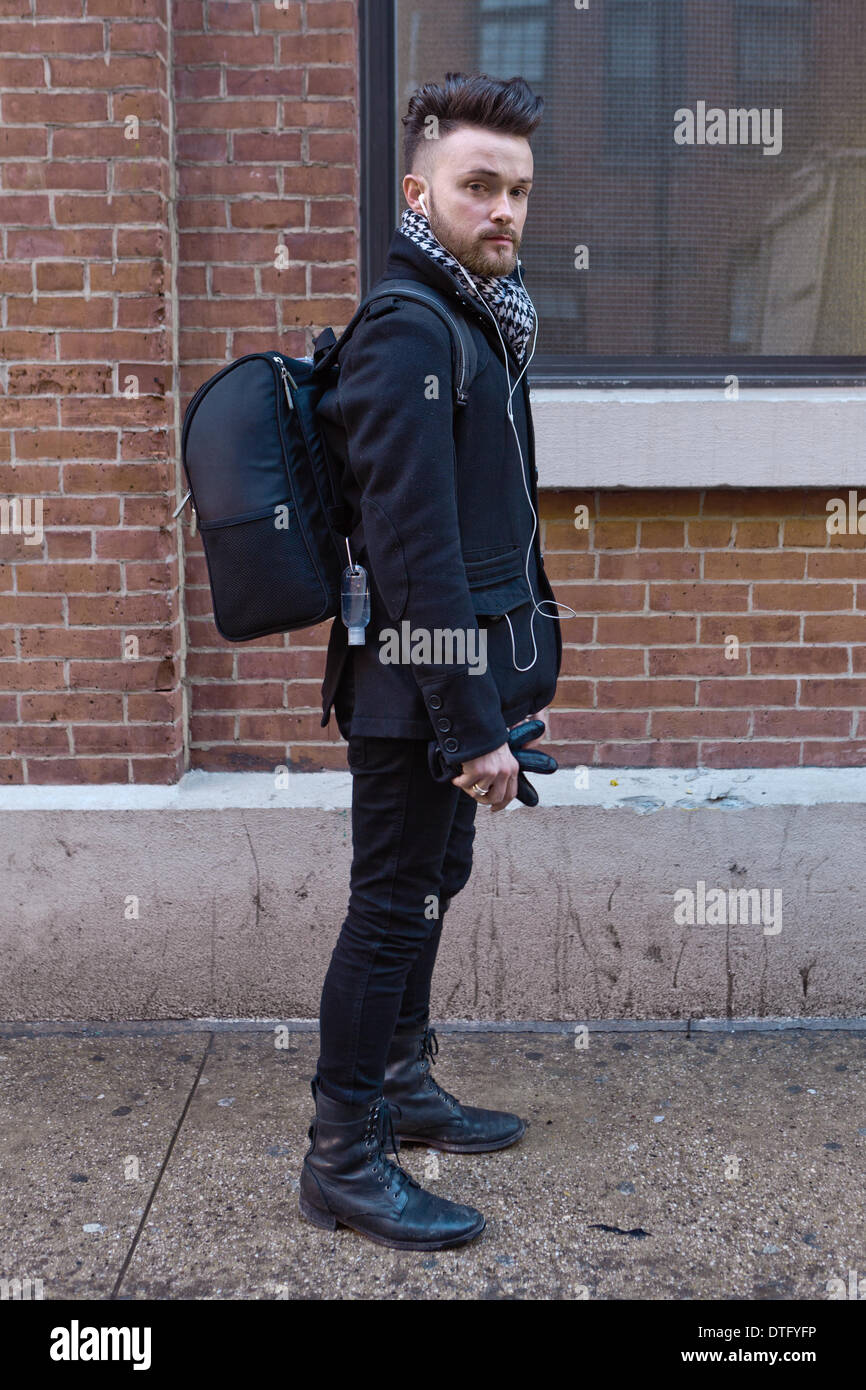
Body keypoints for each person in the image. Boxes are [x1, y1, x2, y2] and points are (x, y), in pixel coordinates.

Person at [300, 72, 564, 1251]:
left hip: (450, 688)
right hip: (417, 692)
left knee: (425, 891)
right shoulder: (410, 327)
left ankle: (401, 1085)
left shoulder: (473, 322)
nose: (501, 208)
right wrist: (468, 727)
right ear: (419, 193)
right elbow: (411, 554)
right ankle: (342, 1157)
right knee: (388, 911)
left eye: (514, 190)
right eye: (477, 186)